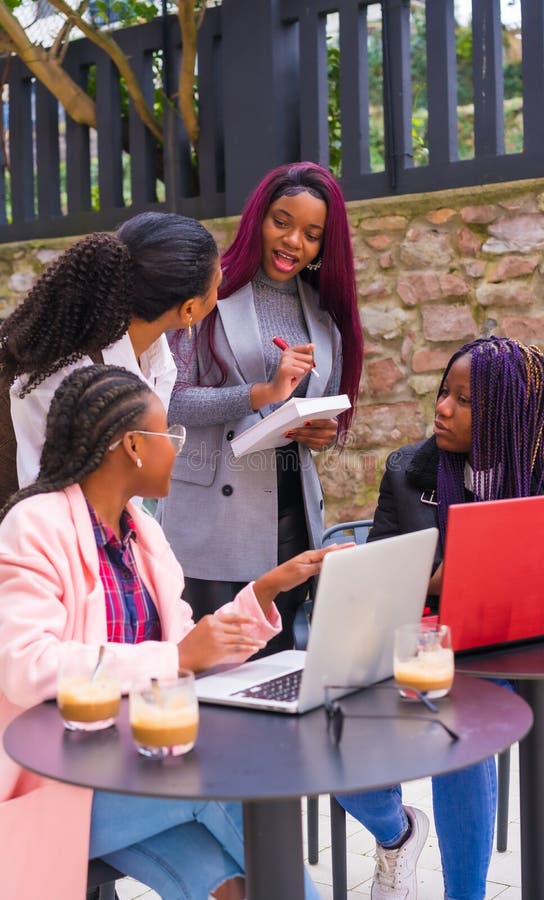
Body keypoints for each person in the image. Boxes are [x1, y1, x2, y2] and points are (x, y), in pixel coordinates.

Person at [0, 364, 340, 900]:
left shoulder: (146, 534)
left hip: (146, 765)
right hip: (58, 784)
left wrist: (265, 591)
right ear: (134, 445)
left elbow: (189, 648)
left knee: (229, 886)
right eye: (170, 436)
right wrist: (175, 659)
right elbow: (26, 667)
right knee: (223, 788)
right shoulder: (34, 525)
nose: (178, 450)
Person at [335, 336, 544, 900]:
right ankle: (396, 830)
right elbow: (380, 584)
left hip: (524, 647)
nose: (443, 408)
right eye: (442, 393)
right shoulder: (410, 469)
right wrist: (431, 582)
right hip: (421, 642)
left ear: (506, 411)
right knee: (324, 720)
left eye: (464, 399)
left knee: (460, 722)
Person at [162, 161, 364, 652]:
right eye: (282, 221)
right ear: (258, 218)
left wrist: (321, 431)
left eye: (312, 234)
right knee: (216, 670)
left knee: (279, 668)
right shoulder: (209, 294)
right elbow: (167, 400)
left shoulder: (324, 314)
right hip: (214, 519)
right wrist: (261, 393)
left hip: (291, 515)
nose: (294, 241)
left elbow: (323, 406)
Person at [0, 210, 222, 487]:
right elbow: (45, 499)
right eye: (217, 285)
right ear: (189, 309)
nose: (218, 293)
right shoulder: (64, 372)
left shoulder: (156, 355)